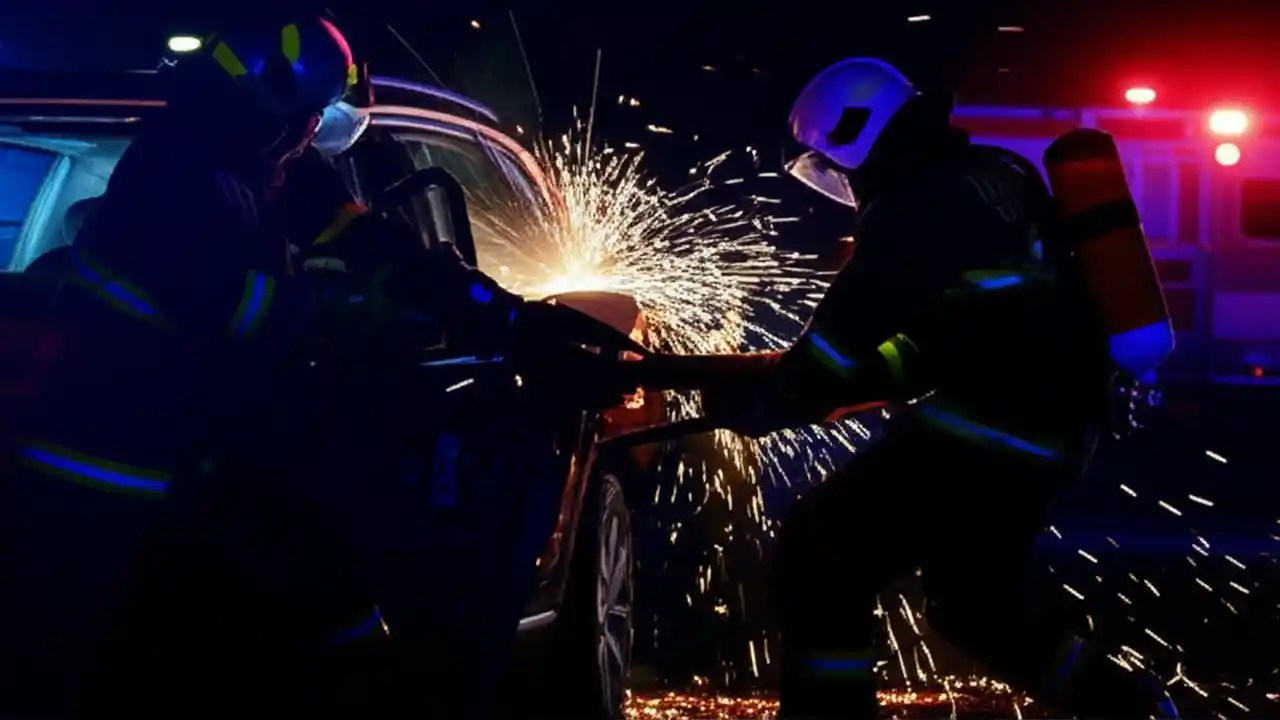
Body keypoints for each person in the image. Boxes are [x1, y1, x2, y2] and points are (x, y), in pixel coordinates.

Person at [0, 13, 611, 717]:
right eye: (303, 121)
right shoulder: (168, 180)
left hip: (198, 479)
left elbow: (366, 240)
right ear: (258, 105)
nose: (304, 141)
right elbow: (240, 309)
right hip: (108, 486)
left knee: (328, 632)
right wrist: (351, 309)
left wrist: (491, 309)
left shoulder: (256, 165)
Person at [652, 59, 1178, 719]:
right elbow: (939, 340)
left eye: (830, 166)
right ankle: (1131, 706)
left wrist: (771, 400)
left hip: (989, 427)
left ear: (852, 137)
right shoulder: (992, 175)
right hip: (1047, 426)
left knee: (820, 552)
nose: (840, 184)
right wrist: (827, 384)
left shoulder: (916, 204)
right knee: (977, 611)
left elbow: (841, 339)